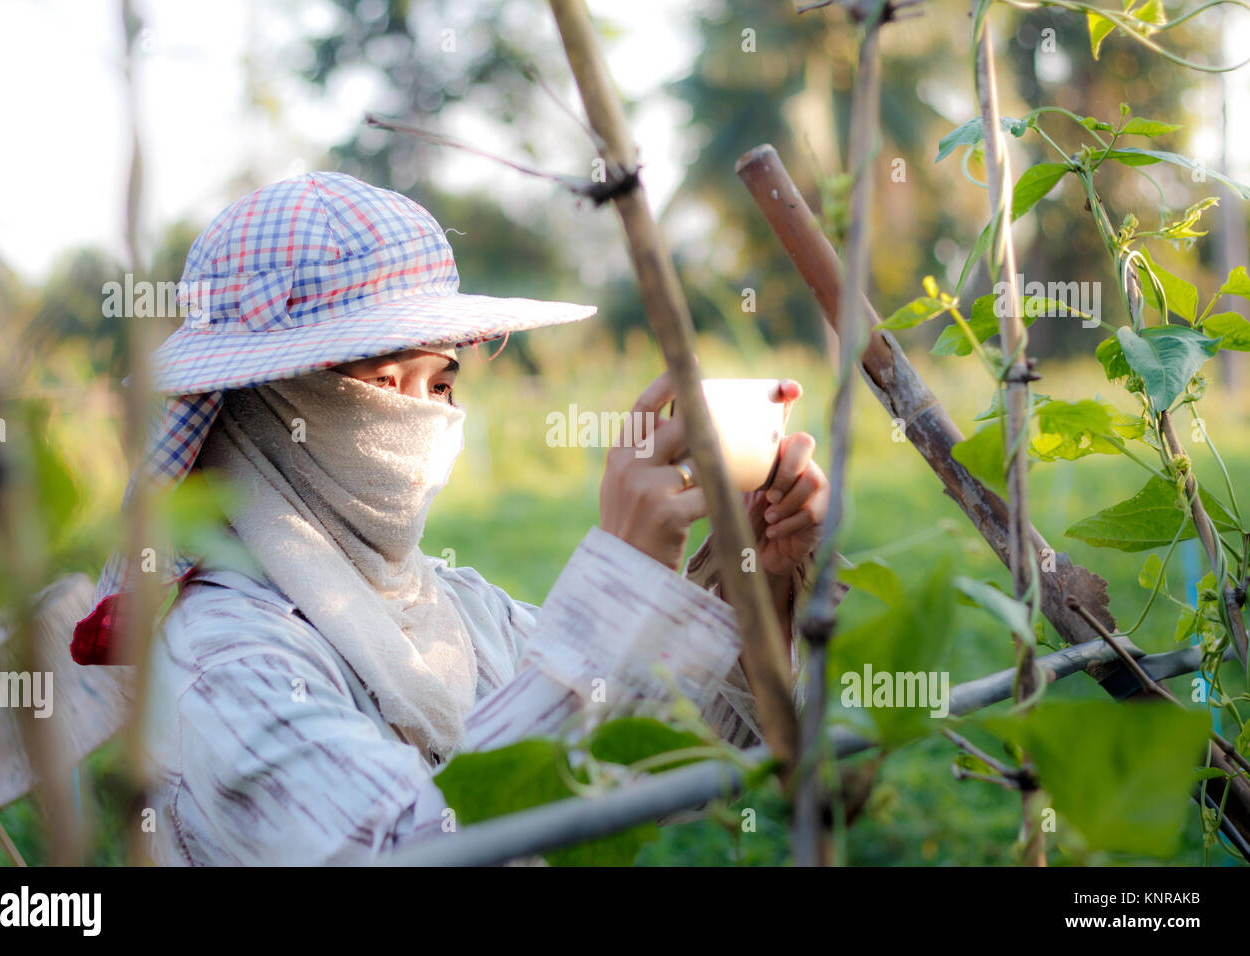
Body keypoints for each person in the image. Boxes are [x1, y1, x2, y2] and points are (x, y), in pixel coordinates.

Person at [73, 171, 830, 865]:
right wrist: (620, 578)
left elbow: (671, 763)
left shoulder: (452, 611)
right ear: (265, 405)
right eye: (378, 380)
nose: (418, 416)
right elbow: (416, 848)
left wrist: (753, 573)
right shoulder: (224, 661)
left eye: (439, 384)